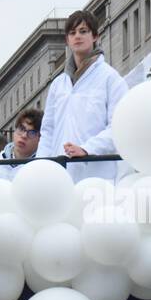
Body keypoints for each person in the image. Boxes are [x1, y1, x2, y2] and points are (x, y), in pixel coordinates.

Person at [36, 11, 128, 182]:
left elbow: (119, 128)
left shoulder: (111, 79)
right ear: (67, 40)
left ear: (95, 36)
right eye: (72, 33)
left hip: (97, 177)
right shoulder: (58, 84)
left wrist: (87, 149)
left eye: (83, 31)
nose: (77, 36)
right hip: (60, 179)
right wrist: (41, 165)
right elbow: (48, 131)